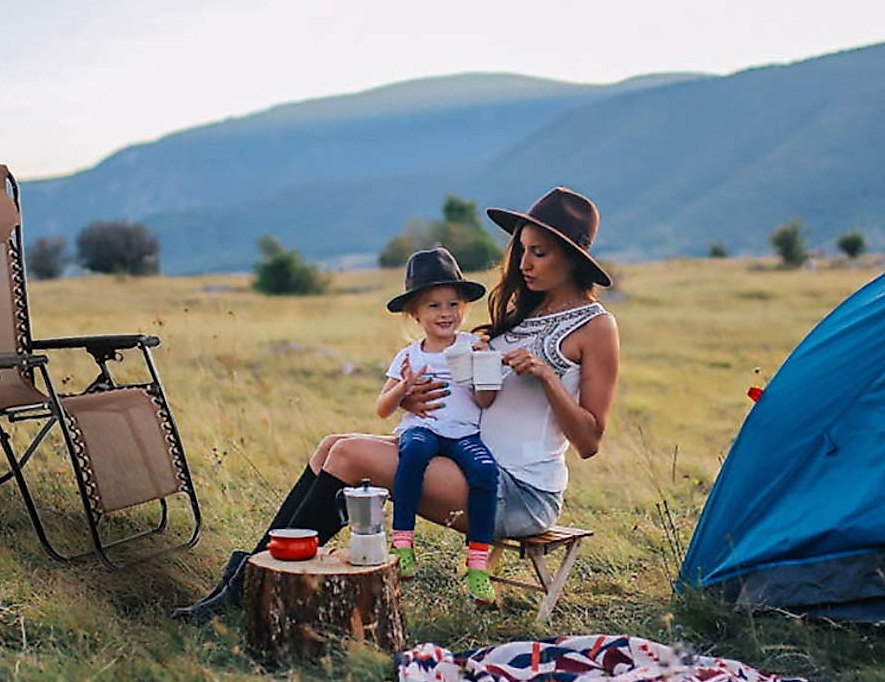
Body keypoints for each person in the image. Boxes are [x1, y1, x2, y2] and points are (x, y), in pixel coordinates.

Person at [172, 186, 619, 623]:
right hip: (464, 455)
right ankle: (255, 572)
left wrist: (545, 377)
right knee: (333, 445)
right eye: (521, 250)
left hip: (517, 490)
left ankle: (248, 586)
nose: (523, 263)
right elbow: (478, 392)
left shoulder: (596, 327)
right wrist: (416, 395)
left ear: (571, 255)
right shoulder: (520, 314)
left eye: (538, 252)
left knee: (349, 456)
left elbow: (590, 440)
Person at [379, 247, 499, 604]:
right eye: (433, 305)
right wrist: (404, 387)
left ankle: (478, 563)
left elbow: (485, 402)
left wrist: (484, 365)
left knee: (485, 470)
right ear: (414, 313)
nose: (445, 313)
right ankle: (403, 544)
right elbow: (383, 409)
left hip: (465, 432)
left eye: (452, 304)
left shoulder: (473, 345)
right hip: (424, 428)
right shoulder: (409, 356)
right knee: (413, 451)